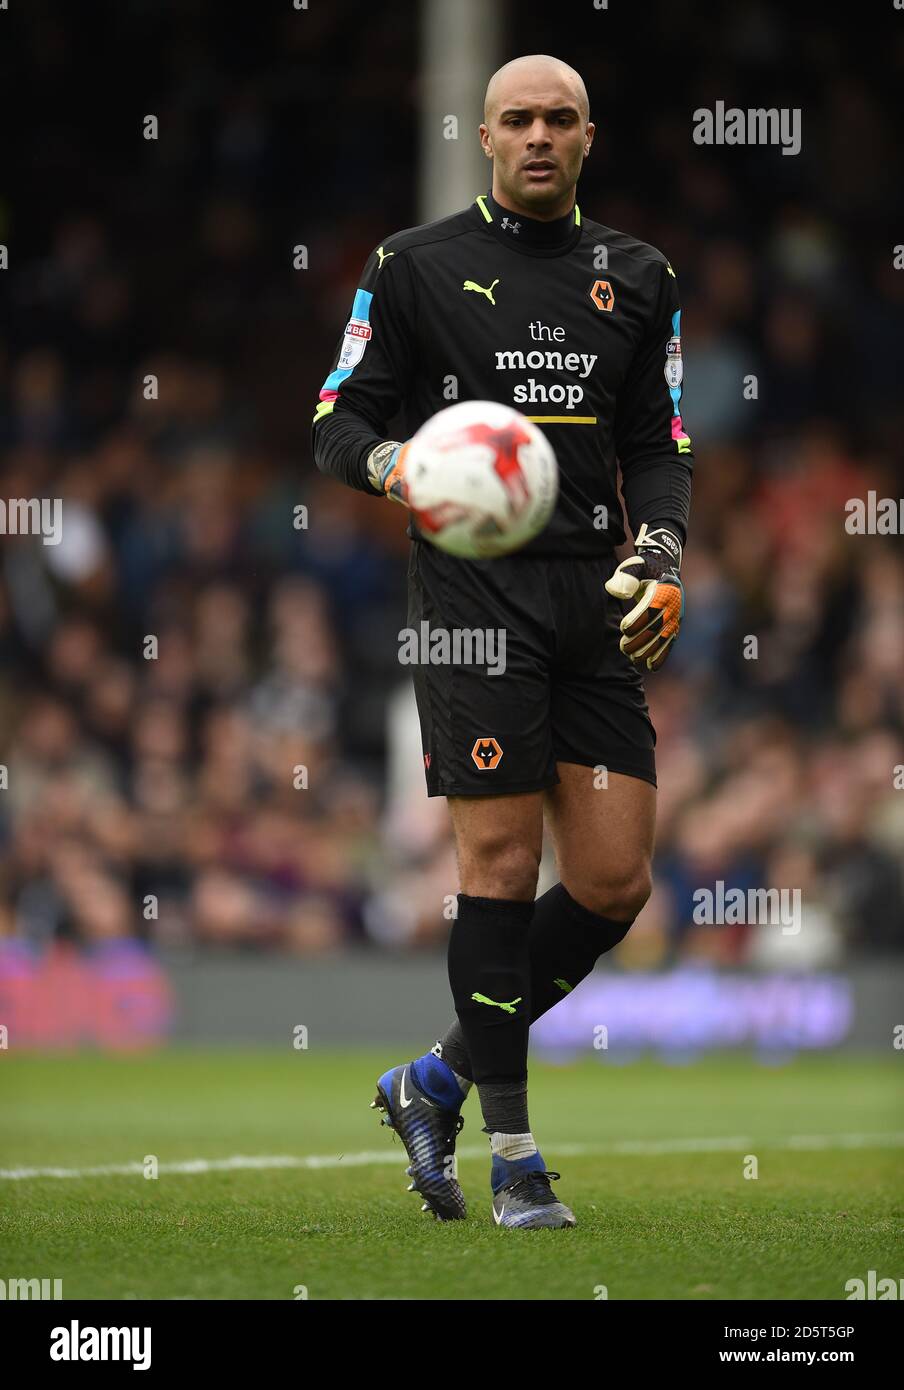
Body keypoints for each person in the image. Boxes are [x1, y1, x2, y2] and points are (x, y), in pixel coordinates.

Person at [312, 54, 693, 1229]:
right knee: (494, 868)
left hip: (594, 596)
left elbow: (657, 444)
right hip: (474, 605)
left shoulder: (638, 274)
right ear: (482, 137)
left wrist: (665, 549)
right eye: (517, 119)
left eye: (560, 120)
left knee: (615, 878)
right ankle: (514, 1155)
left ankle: (431, 1079)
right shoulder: (412, 264)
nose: (538, 135)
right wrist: (401, 467)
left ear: (589, 137)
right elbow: (340, 421)